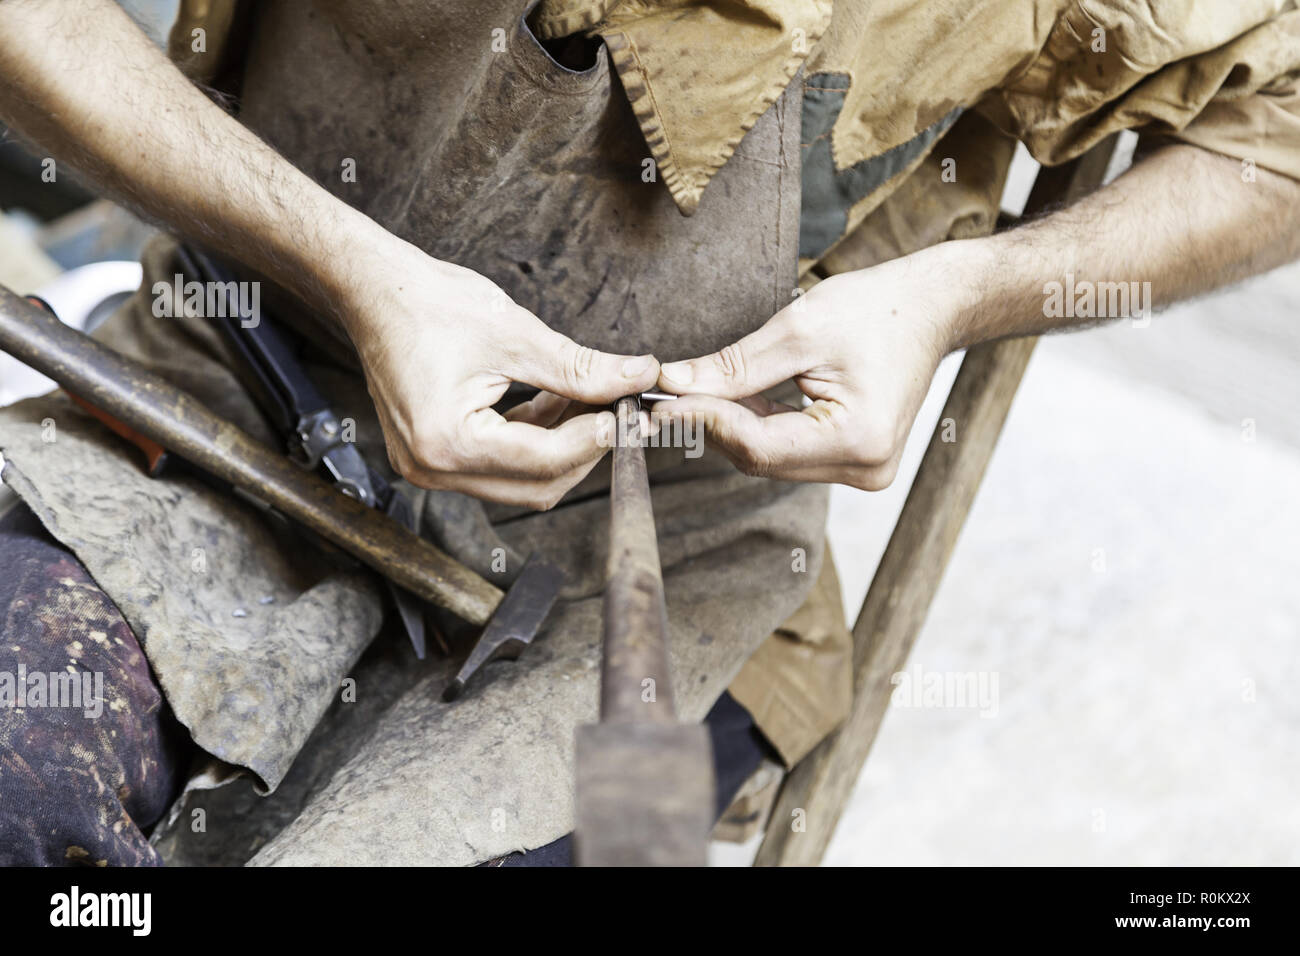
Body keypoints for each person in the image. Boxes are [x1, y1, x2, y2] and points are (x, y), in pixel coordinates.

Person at [0, 0, 1296, 866]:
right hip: (234, 382)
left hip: (691, 562)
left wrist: (954, 298)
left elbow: (1281, 134)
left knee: (607, 842)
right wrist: (350, 270)